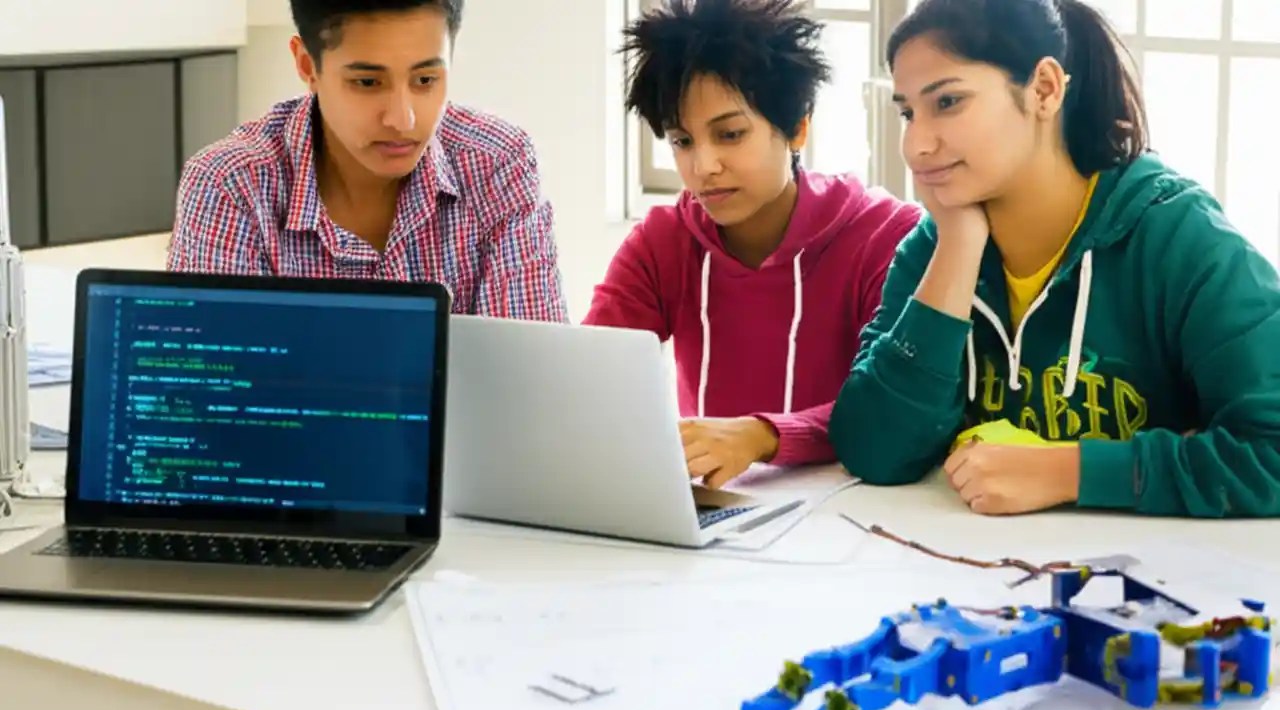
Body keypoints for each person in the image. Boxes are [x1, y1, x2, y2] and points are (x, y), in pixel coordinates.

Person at [829, 0, 1280, 518]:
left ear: (1044, 88)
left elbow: (1270, 449)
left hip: (1141, 584)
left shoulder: (1178, 237)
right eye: (908, 112)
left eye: (948, 101)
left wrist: (1067, 471)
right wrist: (957, 243)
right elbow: (872, 451)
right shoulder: (932, 249)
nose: (916, 145)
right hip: (971, 581)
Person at [586, 0, 921, 488]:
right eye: (683, 142)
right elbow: (591, 373)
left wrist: (764, 436)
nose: (704, 166)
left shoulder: (885, 235)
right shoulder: (661, 242)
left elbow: (895, 408)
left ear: (797, 128)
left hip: (857, 507)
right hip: (722, 512)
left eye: (730, 134)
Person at [167, 0, 568, 322]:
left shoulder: (497, 162)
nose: (403, 119)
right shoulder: (231, 185)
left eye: (425, 80)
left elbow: (528, 383)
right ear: (308, 66)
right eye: (367, 83)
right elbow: (212, 398)